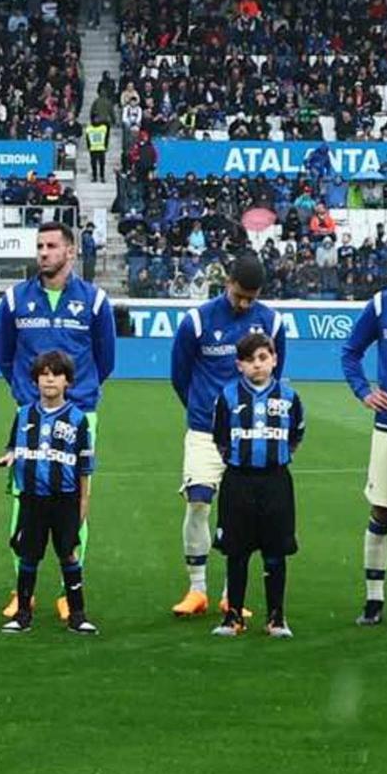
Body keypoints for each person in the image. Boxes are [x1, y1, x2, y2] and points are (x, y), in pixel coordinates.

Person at [0, 220, 115, 620]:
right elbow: (5, 356)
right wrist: (26, 394)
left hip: (79, 413)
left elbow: (105, 359)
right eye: (40, 246)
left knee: (75, 498)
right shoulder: (15, 299)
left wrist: (76, 398)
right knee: (24, 499)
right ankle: (22, 592)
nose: (43, 253)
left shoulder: (94, 301)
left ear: (70, 251)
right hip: (30, 413)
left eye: (51, 246)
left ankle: (69, 590)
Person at [169, 251, 286, 618]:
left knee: (240, 514)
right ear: (228, 282)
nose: (245, 303)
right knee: (198, 501)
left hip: (250, 435)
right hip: (205, 431)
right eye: (239, 295)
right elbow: (180, 375)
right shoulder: (197, 320)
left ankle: (229, 595)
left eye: (252, 297)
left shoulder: (271, 322)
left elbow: (275, 377)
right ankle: (197, 588)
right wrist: (204, 410)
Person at [0, 349, 97, 635]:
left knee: (68, 554)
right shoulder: (24, 415)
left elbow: (84, 467)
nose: (50, 380)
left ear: (68, 382)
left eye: (56, 375)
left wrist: (83, 502)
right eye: (44, 374)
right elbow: (13, 445)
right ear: (35, 380)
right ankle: (22, 614)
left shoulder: (77, 419)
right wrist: (10, 456)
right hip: (31, 499)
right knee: (28, 555)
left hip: (64, 499)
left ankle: (77, 614)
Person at [210, 330, 304, 637]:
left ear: (274, 360)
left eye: (263, 357)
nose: (257, 365)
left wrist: (275, 457)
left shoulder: (289, 397)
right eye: (249, 360)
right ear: (239, 365)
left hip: (276, 482)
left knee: (275, 553)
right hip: (239, 481)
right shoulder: (228, 396)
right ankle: (233, 616)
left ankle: (276, 617)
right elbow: (220, 437)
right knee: (236, 552)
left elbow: (296, 435)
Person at [340, 229, 387, 626]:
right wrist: (364, 391)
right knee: (383, 511)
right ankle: (374, 598)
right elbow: (350, 352)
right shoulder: (382, 304)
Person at [85, 120, 109, 184]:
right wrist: (89, 147)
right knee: (93, 164)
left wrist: (106, 146)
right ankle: (94, 177)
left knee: (102, 164)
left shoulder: (103, 127)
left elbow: (106, 137)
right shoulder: (89, 128)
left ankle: (102, 177)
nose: (96, 120)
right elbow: (87, 139)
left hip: (101, 148)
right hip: (93, 149)